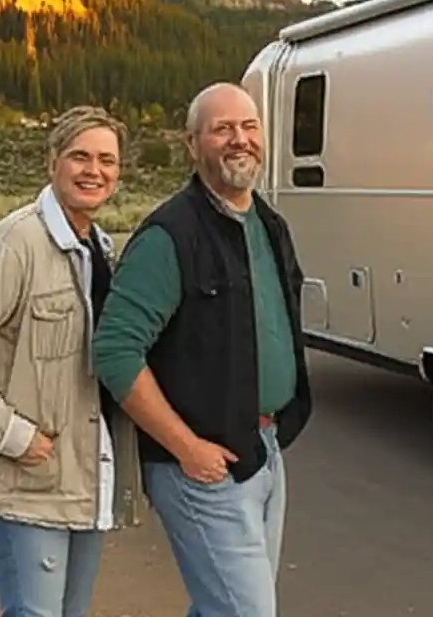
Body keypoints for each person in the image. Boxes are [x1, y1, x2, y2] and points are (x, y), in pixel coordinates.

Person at [92, 82, 313, 617]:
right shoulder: (170, 237)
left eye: (249, 126)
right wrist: (187, 447)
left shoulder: (268, 225)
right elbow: (116, 350)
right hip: (198, 468)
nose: (239, 140)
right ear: (193, 145)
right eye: (222, 129)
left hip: (261, 449)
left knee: (223, 606)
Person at [0, 105, 144, 617]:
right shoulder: (15, 242)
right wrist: (12, 435)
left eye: (106, 160)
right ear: (53, 162)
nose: (94, 170)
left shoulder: (98, 249)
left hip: (82, 485)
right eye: (80, 157)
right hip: (24, 486)